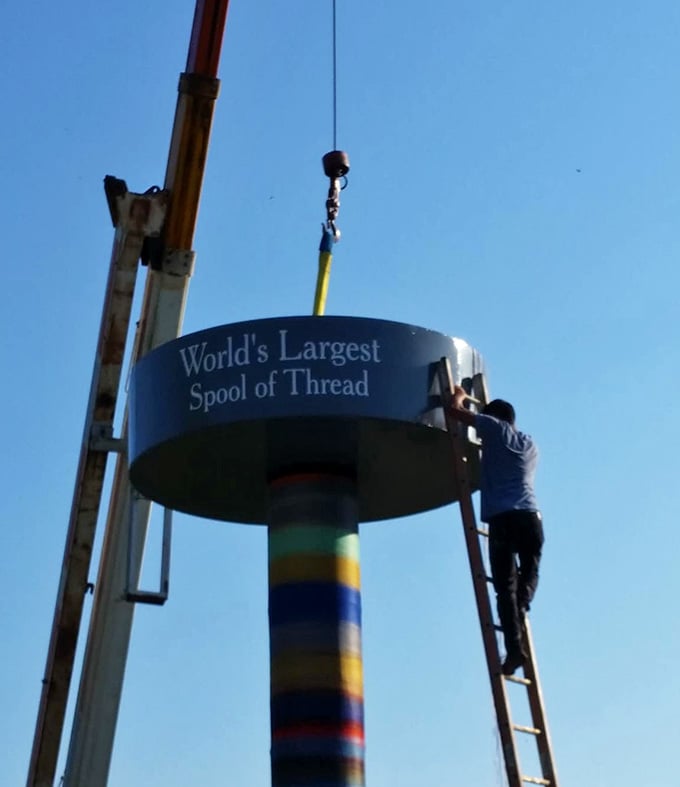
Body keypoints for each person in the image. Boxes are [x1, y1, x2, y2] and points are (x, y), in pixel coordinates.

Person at [448, 385, 544, 676]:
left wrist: (460, 394)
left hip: (503, 520)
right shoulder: (529, 443)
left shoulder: (494, 427)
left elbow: (454, 411)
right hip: (531, 518)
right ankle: (522, 606)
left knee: (505, 589)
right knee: (529, 573)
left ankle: (514, 650)